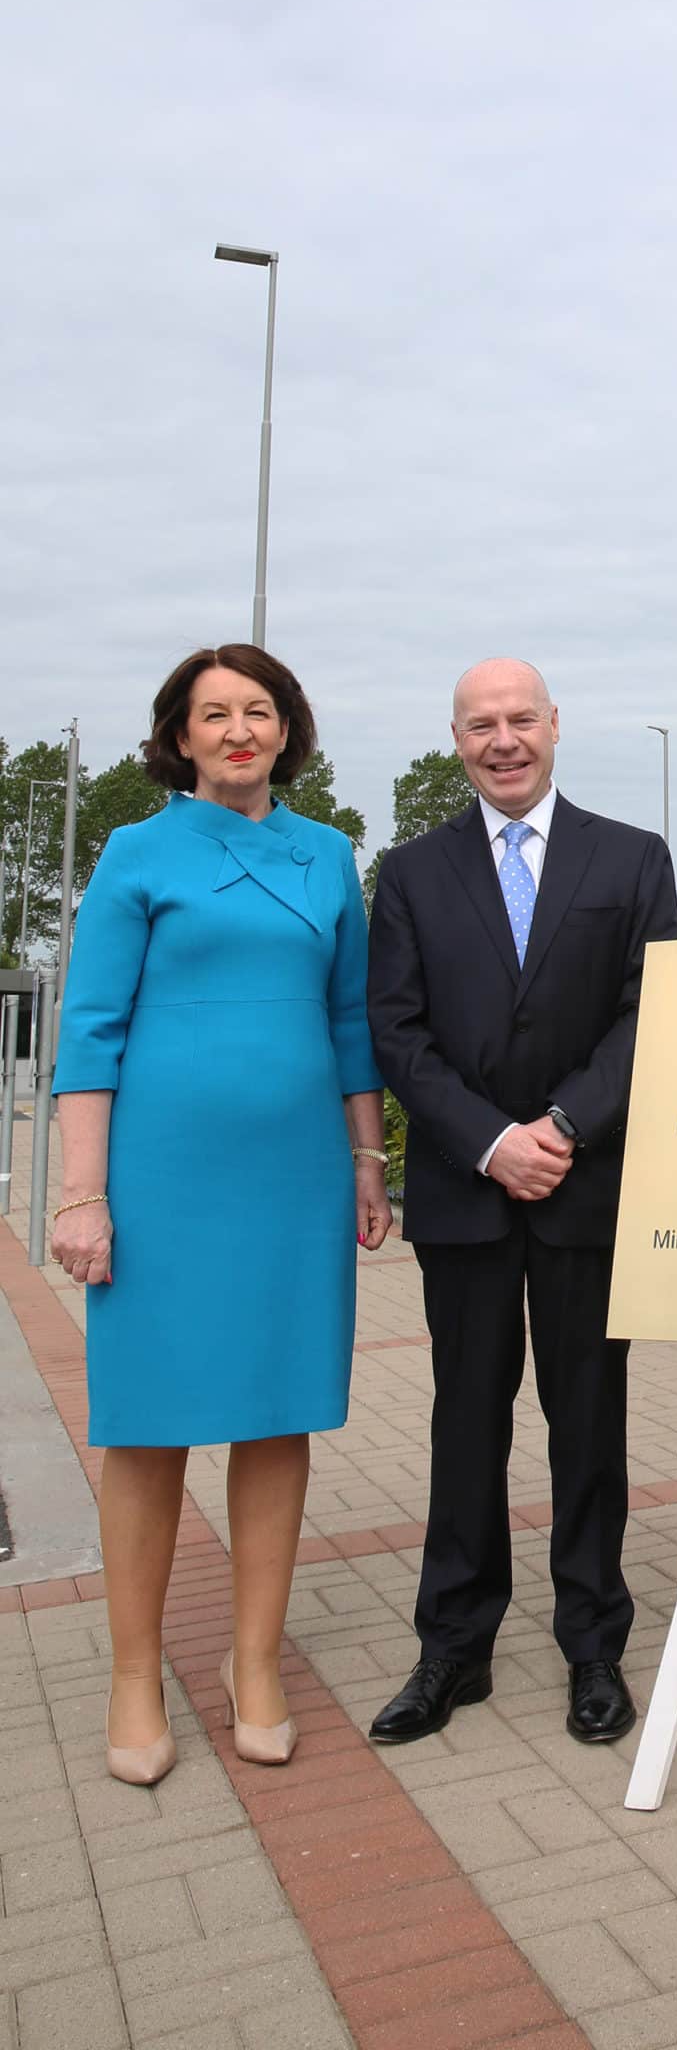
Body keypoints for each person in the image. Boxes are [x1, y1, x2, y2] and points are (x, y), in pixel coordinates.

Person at [50, 645, 390, 1785]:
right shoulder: (137, 853)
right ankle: (135, 1673)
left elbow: (352, 1024)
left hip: (293, 1179)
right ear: (182, 736)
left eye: (259, 711)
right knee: (145, 1421)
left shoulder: (329, 856)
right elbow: (89, 1031)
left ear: (287, 730)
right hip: (161, 1177)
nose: (239, 729)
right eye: (214, 714)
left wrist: (367, 1160)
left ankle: (255, 1662)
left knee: (273, 1408)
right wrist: (81, 1194)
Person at [364, 658, 677, 1747]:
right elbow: (395, 1032)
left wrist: (565, 1127)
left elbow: (653, 1011)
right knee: (466, 1422)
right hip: (467, 1195)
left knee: (588, 1426)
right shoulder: (407, 873)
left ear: (556, 726)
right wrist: (494, 1142)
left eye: (521, 720)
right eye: (481, 724)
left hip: (588, 1192)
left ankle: (594, 1645)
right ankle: (454, 1647)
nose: (504, 740)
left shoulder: (632, 858)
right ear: (456, 739)